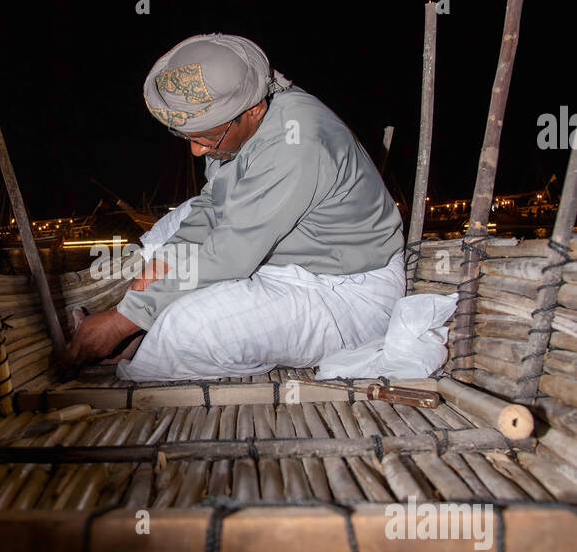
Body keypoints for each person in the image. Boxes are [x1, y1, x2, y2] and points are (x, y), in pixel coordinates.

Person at [67, 33, 406, 380]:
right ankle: (149, 328)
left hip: (346, 293)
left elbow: (229, 254)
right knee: (167, 239)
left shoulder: (297, 142)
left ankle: (155, 346)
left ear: (254, 111)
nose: (196, 151)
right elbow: (214, 203)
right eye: (189, 138)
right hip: (289, 257)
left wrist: (120, 323)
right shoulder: (238, 121)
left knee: (187, 333)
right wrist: (164, 266)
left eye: (204, 139)